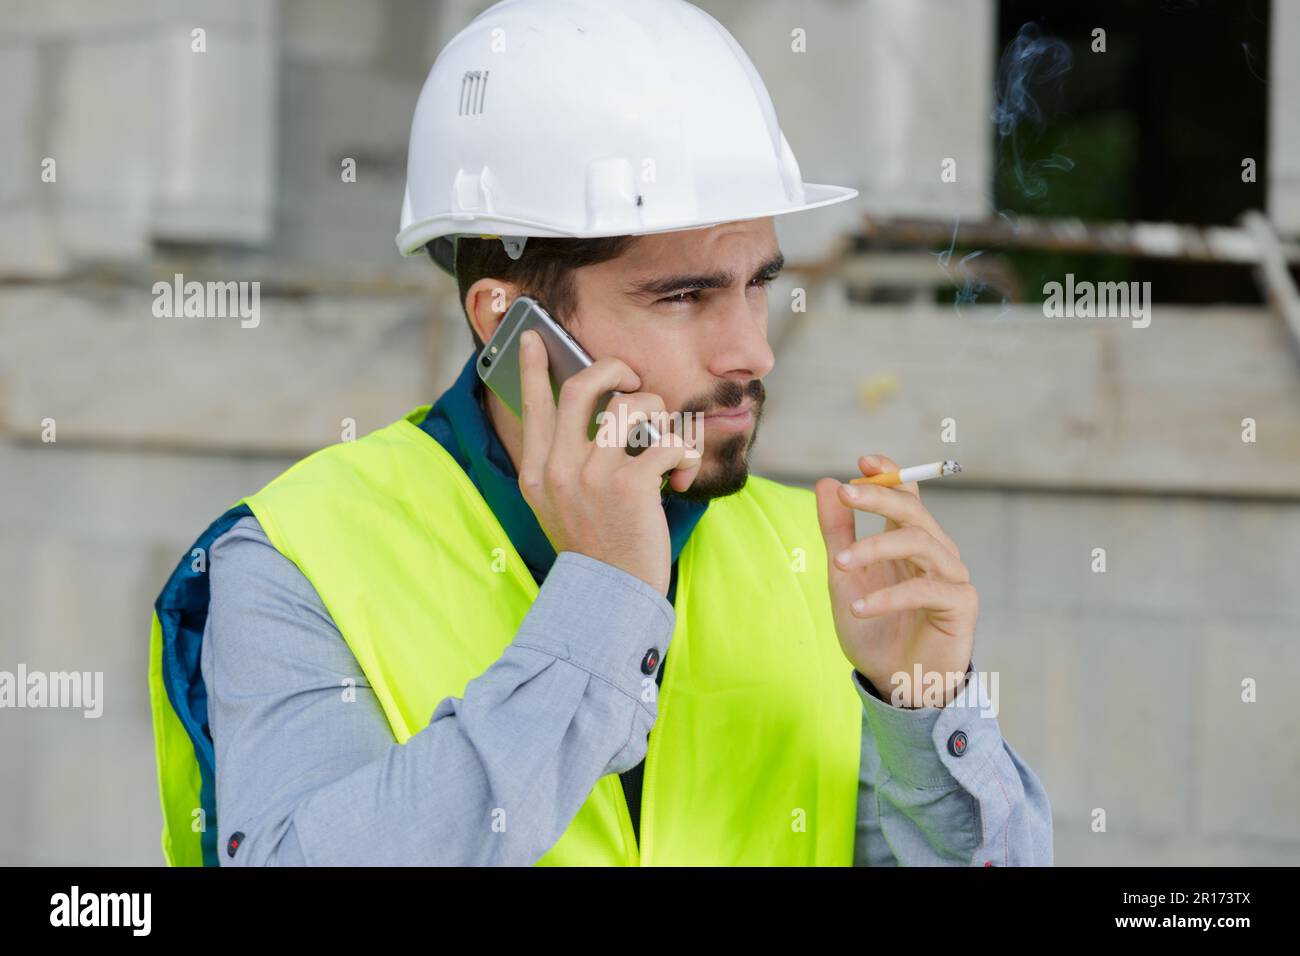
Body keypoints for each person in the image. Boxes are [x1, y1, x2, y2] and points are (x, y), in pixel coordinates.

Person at [149, 0, 1052, 866]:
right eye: (686, 296)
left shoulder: (817, 560)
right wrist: (606, 605)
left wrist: (921, 713)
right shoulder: (297, 559)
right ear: (506, 322)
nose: (753, 350)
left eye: (756, 285)